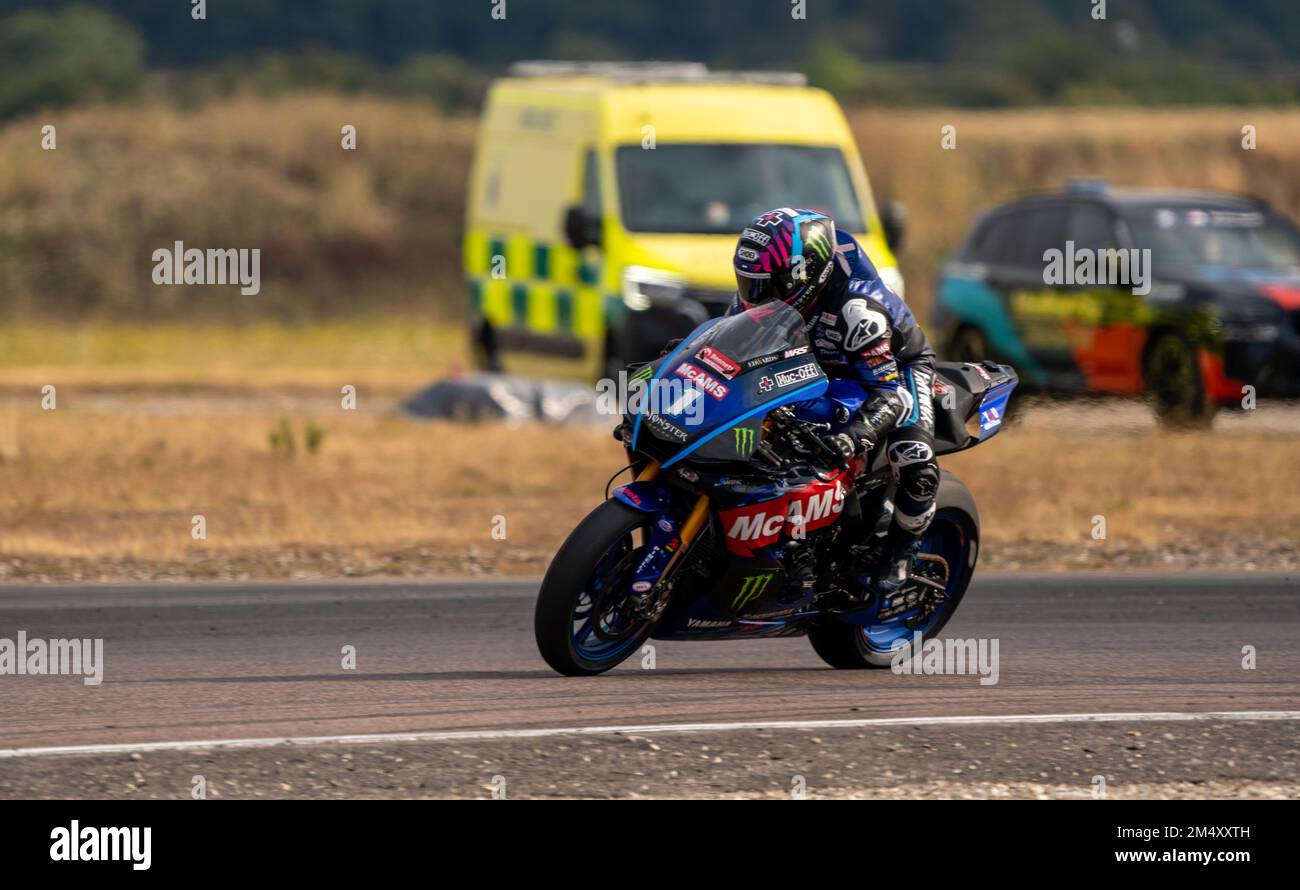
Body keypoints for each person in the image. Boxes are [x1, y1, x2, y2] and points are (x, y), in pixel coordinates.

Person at [728, 207, 938, 594]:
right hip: (818, 360)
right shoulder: (767, 291)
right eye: (747, 284)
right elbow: (728, 346)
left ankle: (903, 551)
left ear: (803, 277)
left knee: (913, 458)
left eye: (766, 287)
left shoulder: (858, 310)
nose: (754, 297)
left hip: (893, 370)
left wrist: (854, 435)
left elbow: (889, 395)